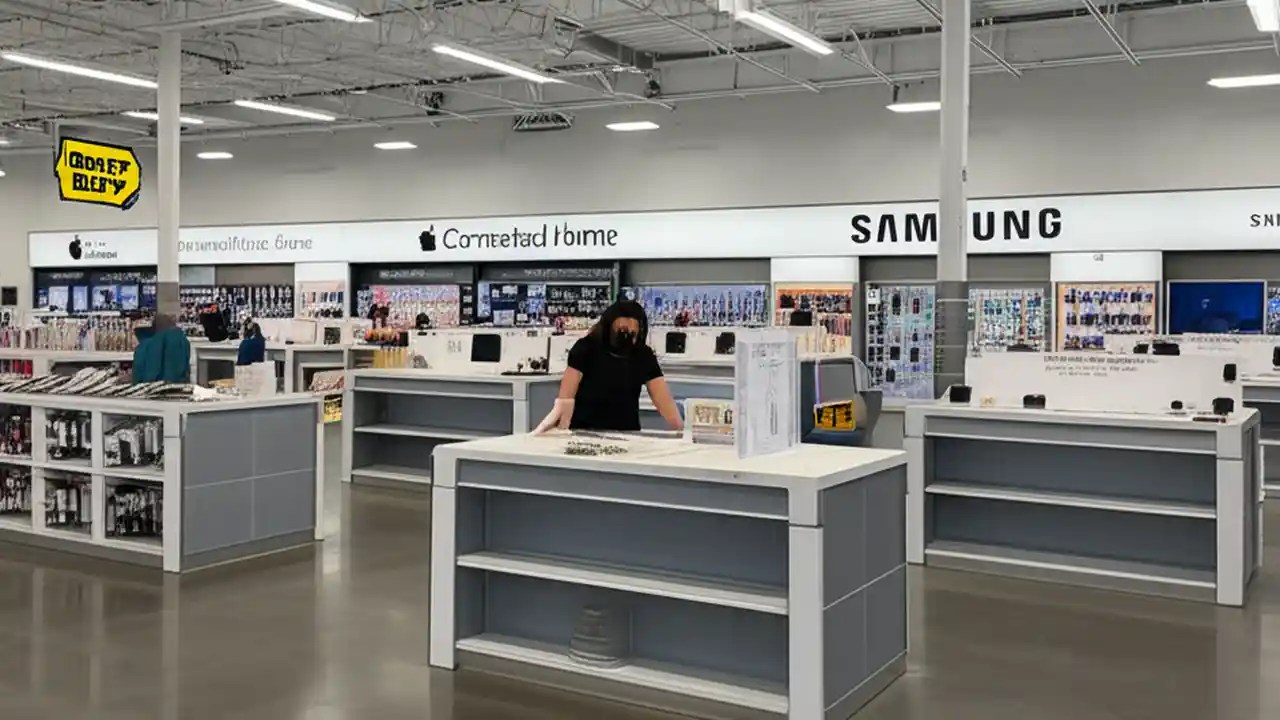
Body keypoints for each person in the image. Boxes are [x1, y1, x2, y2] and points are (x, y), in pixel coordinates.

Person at [535, 300, 683, 433]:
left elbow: (663, 398)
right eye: (622, 332)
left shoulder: (643, 355)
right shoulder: (586, 348)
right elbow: (566, 397)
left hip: (628, 432)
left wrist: (681, 429)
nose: (626, 337)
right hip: (584, 431)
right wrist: (562, 429)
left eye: (632, 334)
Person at [131, 314, 191, 384]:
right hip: (180, 389)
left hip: (151, 390)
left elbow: (139, 375)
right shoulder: (182, 341)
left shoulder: (146, 346)